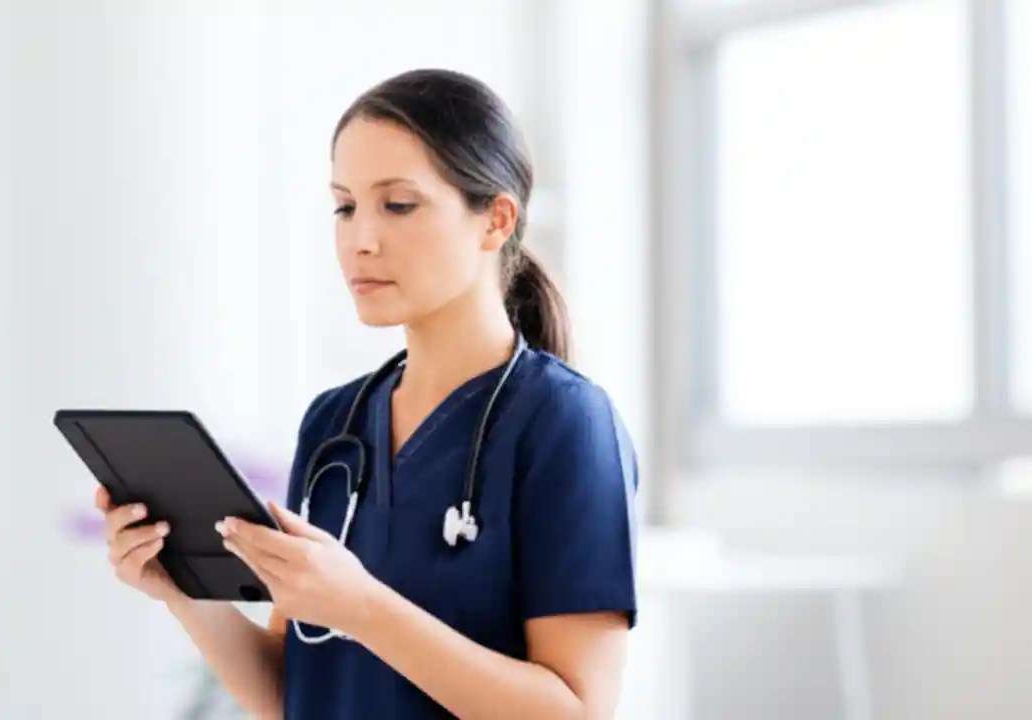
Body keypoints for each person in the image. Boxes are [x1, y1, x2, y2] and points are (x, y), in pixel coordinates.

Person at [96, 68, 640, 719]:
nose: (361, 241)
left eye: (398, 205)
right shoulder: (335, 424)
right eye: (345, 206)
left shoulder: (564, 422)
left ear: (495, 220)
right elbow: (293, 692)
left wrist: (362, 607)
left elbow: (579, 712)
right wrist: (182, 593)